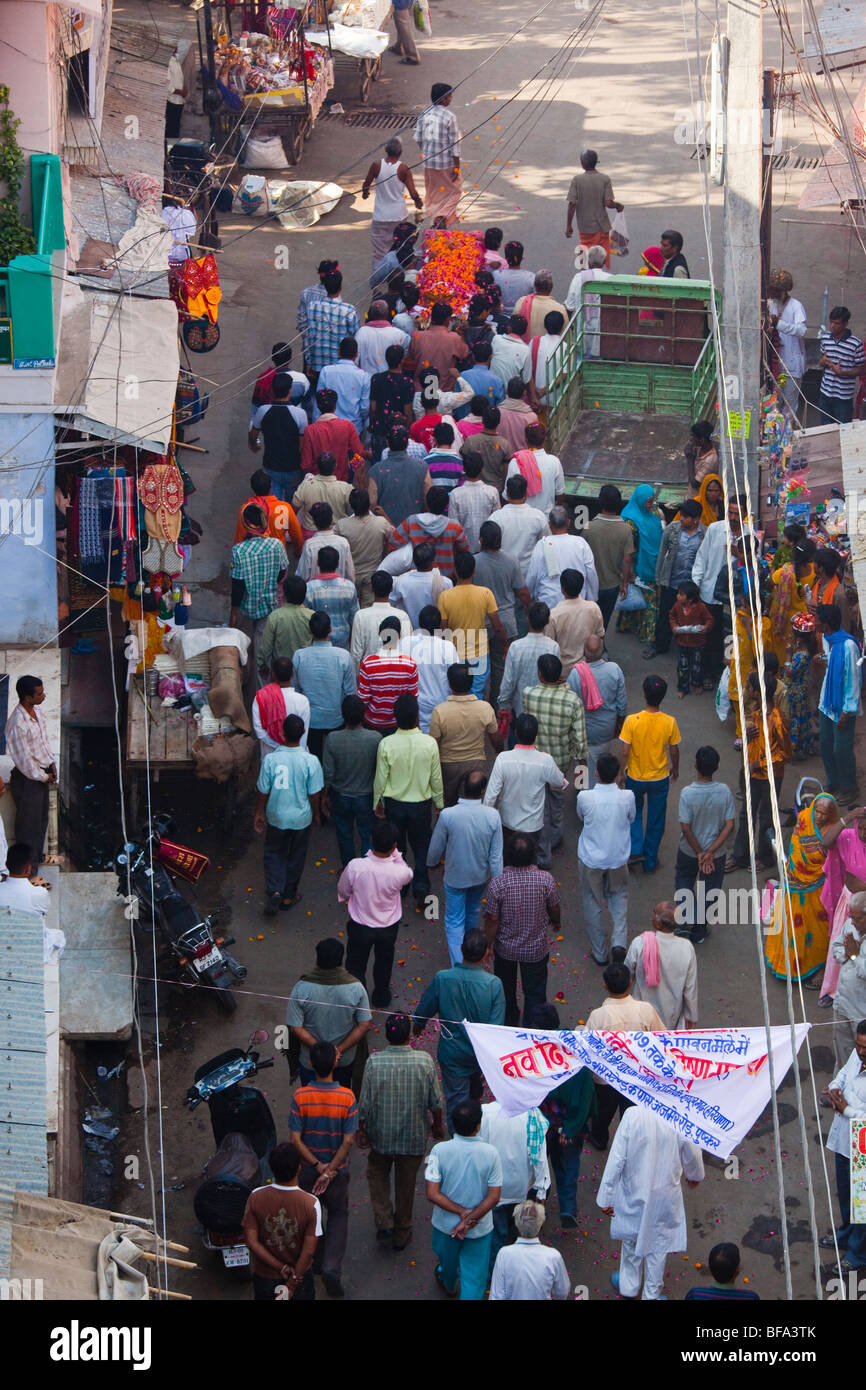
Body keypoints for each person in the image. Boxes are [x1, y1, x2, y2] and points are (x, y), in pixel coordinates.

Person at [598, 1105, 704, 1300]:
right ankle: (651, 1295)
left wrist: (605, 1196)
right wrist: (694, 1175)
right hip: (664, 1195)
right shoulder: (680, 1114)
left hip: (633, 1190)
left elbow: (617, 1158)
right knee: (658, 1246)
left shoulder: (632, 1115)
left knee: (631, 1239)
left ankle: (629, 1287)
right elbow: (693, 1153)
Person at [358, 1012, 444, 1252]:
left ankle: (384, 1220)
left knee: (377, 1174)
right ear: (409, 1036)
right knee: (405, 1186)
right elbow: (436, 1103)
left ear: (386, 1036)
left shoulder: (374, 1062)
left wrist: (361, 1130)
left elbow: (364, 1104)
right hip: (413, 1137)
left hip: (381, 1136)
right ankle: (402, 1230)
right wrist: (437, 1126)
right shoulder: (424, 1061)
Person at [289, 1041, 358, 1299]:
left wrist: (317, 1166)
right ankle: (331, 1267)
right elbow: (349, 1140)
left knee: (312, 1216)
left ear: (310, 1064)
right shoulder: (347, 1097)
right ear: (335, 1064)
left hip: (308, 1171)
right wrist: (330, 1170)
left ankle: (317, 1260)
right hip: (337, 1172)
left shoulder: (301, 1096)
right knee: (338, 1215)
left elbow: (295, 1139)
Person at [414, 928, 505, 1118]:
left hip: (452, 1054)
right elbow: (495, 1029)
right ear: (486, 952)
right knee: (474, 1093)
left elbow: (423, 1011)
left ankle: (460, 1134)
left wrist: (418, 1026)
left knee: (457, 1101)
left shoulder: (443, 978)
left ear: (462, 950)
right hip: (479, 1055)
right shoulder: (493, 984)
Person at [526, 1002, 597, 1223]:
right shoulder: (577, 1051)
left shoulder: (534, 1052)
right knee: (568, 1165)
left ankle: (537, 1200)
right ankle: (568, 1208)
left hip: (542, 1124)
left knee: (538, 1162)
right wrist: (572, 1128)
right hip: (569, 1126)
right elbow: (585, 1095)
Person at [424, 1100, 502, 1300]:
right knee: (475, 1279)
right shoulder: (491, 1154)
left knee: (447, 1266)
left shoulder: (439, 1151)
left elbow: (432, 1193)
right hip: (480, 1228)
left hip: (445, 1227)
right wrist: (469, 1220)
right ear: (478, 1126)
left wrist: (461, 1214)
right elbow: (493, 1197)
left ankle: (449, 1285)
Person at [483, 832, 561, 1025]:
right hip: (535, 950)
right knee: (535, 993)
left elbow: (492, 919)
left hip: (505, 950)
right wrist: (556, 921)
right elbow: (554, 907)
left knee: (506, 991)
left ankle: (510, 1022)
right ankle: (532, 1027)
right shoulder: (546, 880)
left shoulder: (498, 884)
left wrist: (488, 944)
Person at [427, 769, 503, 964]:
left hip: (454, 877)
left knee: (454, 921)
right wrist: (497, 886)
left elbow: (436, 846)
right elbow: (495, 857)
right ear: (482, 791)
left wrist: (431, 863)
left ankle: (459, 963)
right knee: (472, 913)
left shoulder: (448, 815)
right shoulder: (492, 816)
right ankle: (472, 951)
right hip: (479, 876)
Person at [584, 966, 664, 1152]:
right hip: (637, 1076)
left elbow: (588, 1048)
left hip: (606, 1079)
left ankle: (599, 1138)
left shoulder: (598, 1016)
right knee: (632, 1113)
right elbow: (662, 1039)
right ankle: (631, 1145)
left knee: (602, 1113)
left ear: (605, 986)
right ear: (630, 982)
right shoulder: (646, 1010)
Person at [373, 693, 443, 904]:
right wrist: (439, 803)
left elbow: (380, 778)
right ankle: (421, 884)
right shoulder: (429, 744)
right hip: (421, 806)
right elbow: (436, 777)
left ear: (395, 718)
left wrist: (378, 802)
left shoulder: (386, 744)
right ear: (417, 717)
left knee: (397, 847)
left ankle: (400, 885)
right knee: (421, 846)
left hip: (395, 805)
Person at [763, 792, 837, 985]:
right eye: (817, 812)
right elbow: (794, 848)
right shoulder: (805, 819)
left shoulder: (834, 831)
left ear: (831, 814)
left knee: (817, 926)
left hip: (817, 887)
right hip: (794, 883)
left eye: (824, 814)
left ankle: (814, 964)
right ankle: (785, 964)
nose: (819, 817)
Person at [338, 818, 412, 1007]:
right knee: (384, 962)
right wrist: (397, 855)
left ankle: (357, 1000)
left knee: (355, 964)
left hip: (360, 925)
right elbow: (408, 872)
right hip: (388, 927)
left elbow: (343, 890)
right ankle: (380, 996)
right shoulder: (399, 872)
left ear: (372, 840)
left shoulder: (356, 866)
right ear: (394, 845)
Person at [254, 714, 323, 916]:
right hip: (301, 819)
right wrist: (316, 813)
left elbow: (262, 790)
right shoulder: (311, 761)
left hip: (276, 816)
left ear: (282, 733)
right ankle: (288, 895)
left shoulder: (271, 760)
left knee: (274, 853)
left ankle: (275, 889)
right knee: (296, 855)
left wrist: (259, 812)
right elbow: (314, 794)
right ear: (303, 734)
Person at [523, 652, 587, 863]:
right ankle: (555, 839)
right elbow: (580, 743)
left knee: (539, 805)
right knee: (557, 803)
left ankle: (542, 848)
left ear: (540, 674)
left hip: (534, 762)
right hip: (560, 764)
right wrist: (582, 780)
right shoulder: (572, 701)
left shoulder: (528, 694)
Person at [287, 937, 372, 1089]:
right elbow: (364, 1025)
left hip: (311, 1060)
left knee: (310, 1098)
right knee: (341, 1098)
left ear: (317, 959)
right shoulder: (356, 988)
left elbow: (295, 1028)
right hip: (343, 1060)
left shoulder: (301, 988)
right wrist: (337, 1052)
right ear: (341, 960)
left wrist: (322, 1052)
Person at [727, 674, 792, 871]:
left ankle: (765, 857)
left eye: (750, 687)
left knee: (765, 816)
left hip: (770, 776)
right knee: (747, 813)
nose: (748, 690)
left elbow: (786, 753)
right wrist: (747, 739)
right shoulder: (756, 714)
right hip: (753, 774)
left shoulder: (778, 720)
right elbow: (756, 745)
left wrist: (761, 764)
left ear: (757, 692)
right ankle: (740, 856)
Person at [241, 1142, 321, 1302]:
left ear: (271, 1168)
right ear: (299, 1168)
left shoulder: (255, 1197)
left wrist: (281, 1267)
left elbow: (251, 1242)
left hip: (265, 1277)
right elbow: (308, 1252)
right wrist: (291, 1284)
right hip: (300, 1280)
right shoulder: (311, 1204)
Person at [618, 674, 681, 874]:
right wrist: (676, 768)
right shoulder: (669, 722)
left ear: (644, 694)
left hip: (635, 777)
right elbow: (673, 750)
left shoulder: (631, 721)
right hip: (659, 778)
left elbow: (625, 750)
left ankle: (635, 850)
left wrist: (621, 772)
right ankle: (650, 859)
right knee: (656, 818)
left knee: (634, 813)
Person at [484, 713, 567, 864]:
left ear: (515, 733)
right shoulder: (545, 760)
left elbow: (490, 797)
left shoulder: (503, 759)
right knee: (530, 861)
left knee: (508, 861)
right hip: (533, 826)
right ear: (536, 735)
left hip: (507, 823)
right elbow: (560, 782)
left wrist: (486, 825)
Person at [577, 753, 635, 967]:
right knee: (619, 898)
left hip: (591, 858)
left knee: (592, 901)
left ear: (596, 773)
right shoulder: (627, 796)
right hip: (618, 858)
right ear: (619, 774)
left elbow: (581, 817)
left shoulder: (585, 797)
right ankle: (618, 943)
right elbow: (631, 818)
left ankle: (600, 953)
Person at [675, 746, 735, 946]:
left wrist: (700, 852)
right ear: (716, 767)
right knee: (710, 891)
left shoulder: (687, 793)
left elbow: (686, 828)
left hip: (689, 851)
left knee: (684, 881)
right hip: (715, 855)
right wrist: (710, 852)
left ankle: (685, 921)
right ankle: (699, 930)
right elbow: (729, 825)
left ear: (695, 766)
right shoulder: (724, 791)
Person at [480, 1102, 550, 1265]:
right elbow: (540, 1156)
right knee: (516, 1230)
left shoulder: (486, 1113)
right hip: (521, 1186)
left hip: (493, 1187)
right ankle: (512, 1266)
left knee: (497, 1233)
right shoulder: (533, 1116)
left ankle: (496, 1270)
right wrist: (541, 1189)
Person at [822, 1021, 866, 1273]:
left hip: (863, 1149)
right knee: (846, 1195)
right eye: (859, 1046)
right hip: (843, 1141)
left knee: (862, 1205)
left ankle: (859, 1253)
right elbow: (843, 1073)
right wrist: (835, 1088)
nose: (861, 1051)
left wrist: (846, 1108)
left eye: (865, 1048)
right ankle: (846, 1234)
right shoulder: (856, 1054)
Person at [692, 493, 748, 685]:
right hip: (710, 593)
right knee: (710, 637)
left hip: (735, 599)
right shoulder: (715, 529)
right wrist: (696, 583)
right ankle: (708, 673)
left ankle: (727, 675)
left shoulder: (750, 536)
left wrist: (739, 554)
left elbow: (754, 566)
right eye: (730, 513)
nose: (733, 518)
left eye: (737, 514)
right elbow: (702, 557)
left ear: (746, 514)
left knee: (730, 637)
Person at [438, 551, 509, 700]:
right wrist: (505, 645)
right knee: (477, 694)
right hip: (480, 654)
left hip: (456, 654)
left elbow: (443, 630)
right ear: (474, 570)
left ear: (455, 570)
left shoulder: (445, 597)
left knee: (456, 694)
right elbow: (497, 626)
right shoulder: (485, 593)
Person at [429, 663, 501, 806]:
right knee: (472, 804)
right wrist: (499, 752)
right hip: (476, 765)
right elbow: (496, 739)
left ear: (449, 683)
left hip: (448, 766)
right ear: (472, 682)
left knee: (448, 805)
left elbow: (434, 745)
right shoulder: (485, 708)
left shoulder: (439, 711)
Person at [230, 506, 287, 681]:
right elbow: (282, 572)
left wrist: (233, 614)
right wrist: (268, 584)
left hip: (247, 609)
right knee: (263, 656)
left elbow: (237, 586)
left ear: (245, 525)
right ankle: (262, 693)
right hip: (269, 607)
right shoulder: (276, 545)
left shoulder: (239, 551)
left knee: (246, 653)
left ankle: (246, 685)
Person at [322, 695, 381, 866]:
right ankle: (365, 870)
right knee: (366, 834)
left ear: (343, 715)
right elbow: (380, 771)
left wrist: (324, 796)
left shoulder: (333, 739)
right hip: (366, 796)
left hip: (340, 796)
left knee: (344, 834)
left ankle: (349, 869)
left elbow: (328, 773)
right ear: (363, 714)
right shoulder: (375, 738)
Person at [292, 611, 357, 761]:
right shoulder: (343, 656)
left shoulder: (299, 656)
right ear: (330, 629)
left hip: (310, 720)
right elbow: (350, 693)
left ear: (309, 630)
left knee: (314, 759)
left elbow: (295, 690)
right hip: (337, 719)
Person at [5, 676, 56, 866]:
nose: (43, 696)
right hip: (29, 780)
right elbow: (24, 761)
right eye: (39, 693)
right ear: (27, 697)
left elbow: (43, 743)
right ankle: (29, 872)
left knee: (41, 822)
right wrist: (43, 776)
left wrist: (51, 764)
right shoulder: (17, 723)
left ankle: (37, 858)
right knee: (28, 828)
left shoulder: (38, 712)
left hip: (42, 775)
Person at [474, 519, 530, 687]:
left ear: (481, 540)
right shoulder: (511, 561)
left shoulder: (474, 562)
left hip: (480, 624)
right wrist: (529, 610)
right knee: (501, 671)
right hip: (506, 624)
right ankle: (498, 709)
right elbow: (522, 592)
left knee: (477, 672)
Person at [626, 901, 698, 1029]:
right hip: (671, 1017)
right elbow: (690, 987)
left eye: (654, 913)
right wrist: (691, 1016)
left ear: (658, 924)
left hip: (640, 1015)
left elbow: (626, 977)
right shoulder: (686, 947)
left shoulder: (640, 943)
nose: (651, 916)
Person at [816, 602, 861, 804]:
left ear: (825, 624)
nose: (815, 622)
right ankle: (833, 782)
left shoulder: (849, 646)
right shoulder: (828, 640)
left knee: (841, 749)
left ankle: (849, 787)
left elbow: (853, 679)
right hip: (826, 703)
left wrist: (847, 711)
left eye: (818, 619)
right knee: (826, 745)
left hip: (842, 708)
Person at [570, 633, 626, 784]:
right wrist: (618, 726)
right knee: (602, 763)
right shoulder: (615, 670)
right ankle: (602, 788)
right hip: (607, 729)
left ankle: (581, 793)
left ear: (583, 653)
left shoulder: (576, 674)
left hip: (583, 732)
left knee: (581, 766)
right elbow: (622, 705)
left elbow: (571, 708)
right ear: (602, 651)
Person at [651, 498, 705, 656]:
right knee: (666, 614)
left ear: (695, 519)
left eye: (685, 516)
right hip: (672, 581)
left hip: (691, 585)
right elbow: (662, 554)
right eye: (681, 515)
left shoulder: (705, 533)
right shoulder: (672, 529)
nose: (681, 519)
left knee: (692, 617)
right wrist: (659, 577)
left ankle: (688, 648)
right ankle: (660, 645)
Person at [489, 1200, 570, 1301]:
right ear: (540, 1224)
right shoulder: (553, 1256)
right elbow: (562, 1291)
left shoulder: (504, 1254)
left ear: (517, 1223)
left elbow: (496, 1295)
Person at [361, 138, 423, 266]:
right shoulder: (403, 169)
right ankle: (397, 278)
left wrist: (365, 193)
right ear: (400, 153)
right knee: (399, 248)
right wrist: (418, 202)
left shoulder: (376, 165)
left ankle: (377, 281)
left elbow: (366, 184)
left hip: (380, 216)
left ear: (386, 151)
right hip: (398, 216)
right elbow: (413, 193)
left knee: (379, 252)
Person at [399, 605, 460, 734]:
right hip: (441, 707)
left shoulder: (405, 643)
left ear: (419, 623)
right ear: (439, 625)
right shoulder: (447, 647)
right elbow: (455, 679)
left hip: (413, 709)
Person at [616, 484, 664, 648]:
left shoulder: (653, 511)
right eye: (648, 502)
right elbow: (628, 548)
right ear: (640, 500)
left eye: (652, 501)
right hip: (639, 564)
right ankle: (643, 631)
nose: (650, 505)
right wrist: (628, 571)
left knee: (644, 597)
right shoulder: (630, 520)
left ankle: (640, 630)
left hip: (653, 561)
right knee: (638, 597)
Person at [248, 373, 307, 503]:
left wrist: (254, 444)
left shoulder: (263, 411)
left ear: (272, 390)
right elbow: (302, 445)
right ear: (290, 390)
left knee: (273, 506)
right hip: (293, 467)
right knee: (292, 505)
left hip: (270, 467)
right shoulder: (300, 414)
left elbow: (253, 433)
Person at [583, 485, 635, 629]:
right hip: (612, 585)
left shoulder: (589, 526)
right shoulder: (625, 529)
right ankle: (600, 646)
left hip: (590, 585)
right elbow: (627, 559)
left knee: (588, 622)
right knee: (603, 622)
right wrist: (624, 583)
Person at [498, 602, 560, 724]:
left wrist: (503, 705)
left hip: (520, 709)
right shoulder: (553, 647)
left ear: (527, 619)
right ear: (547, 621)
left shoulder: (516, 647)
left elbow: (508, 681)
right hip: (544, 710)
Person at [525, 505, 597, 609]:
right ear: (568, 523)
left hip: (548, 604)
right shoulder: (581, 543)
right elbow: (591, 572)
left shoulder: (542, 544)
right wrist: (592, 598)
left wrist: (530, 599)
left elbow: (532, 575)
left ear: (549, 525)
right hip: (577, 603)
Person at [388, 485, 469, 575]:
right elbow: (464, 548)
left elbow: (393, 542)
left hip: (417, 575)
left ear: (426, 503)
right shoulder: (454, 526)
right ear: (446, 504)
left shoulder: (411, 522)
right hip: (446, 577)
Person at [358, 617, 419, 733]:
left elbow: (363, 699)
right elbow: (412, 699)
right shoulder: (410, 664)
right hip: (400, 724)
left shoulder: (368, 663)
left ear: (380, 636)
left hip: (373, 723)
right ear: (399, 636)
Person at [413, 84, 463, 226]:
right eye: (449, 96)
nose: (451, 98)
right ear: (444, 99)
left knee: (434, 192)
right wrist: (457, 166)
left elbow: (418, 138)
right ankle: (440, 217)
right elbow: (454, 144)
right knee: (454, 191)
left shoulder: (424, 113)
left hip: (429, 162)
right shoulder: (450, 117)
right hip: (446, 164)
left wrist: (427, 151)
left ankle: (433, 212)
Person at [564, 149, 622, 266]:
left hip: (586, 229)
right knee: (601, 259)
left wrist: (569, 226)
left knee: (584, 260)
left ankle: (585, 280)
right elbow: (608, 203)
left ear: (582, 163)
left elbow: (572, 204)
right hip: (602, 227)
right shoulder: (605, 179)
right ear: (596, 162)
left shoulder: (577, 180)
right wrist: (618, 206)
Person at [335, 492, 392, 608]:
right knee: (368, 611)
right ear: (369, 504)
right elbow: (396, 536)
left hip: (349, 576)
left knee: (350, 610)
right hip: (372, 577)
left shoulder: (342, 525)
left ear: (351, 505)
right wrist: (384, 515)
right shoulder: (381, 523)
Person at [545, 568, 604, 678]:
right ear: (581, 587)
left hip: (563, 672)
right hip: (587, 669)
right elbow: (600, 636)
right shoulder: (593, 608)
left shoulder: (554, 615)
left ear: (562, 589)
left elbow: (549, 647)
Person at [488, 475, 550, 579]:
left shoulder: (496, 518)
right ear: (526, 494)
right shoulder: (538, 517)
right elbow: (547, 544)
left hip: (502, 574)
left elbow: (485, 546)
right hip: (528, 573)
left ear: (507, 494)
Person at [369, 426, 432, 527]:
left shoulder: (376, 470)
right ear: (407, 444)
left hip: (387, 531)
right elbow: (428, 498)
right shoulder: (422, 467)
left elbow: (372, 504)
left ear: (388, 443)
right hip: (416, 529)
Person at [233, 468, 304, 557]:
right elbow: (296, 535)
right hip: (278, 556)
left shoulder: (246, 509)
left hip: (255, 556)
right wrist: (298, 551)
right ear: (270, 486)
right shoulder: (284, 508)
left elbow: (240, 537)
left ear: (252, 487)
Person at [767, 539, 816, 665]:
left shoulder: (785, 572)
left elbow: (769, 583)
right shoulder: (813, 570)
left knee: (782, 655)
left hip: (784, 623)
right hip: (803, 622)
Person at [831, 896, 866, 1071]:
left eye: (857, 918)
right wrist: (846, 953)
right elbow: (836, 946)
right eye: (851, 917)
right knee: (842, 1053)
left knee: (861, 1055)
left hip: (861, 1012)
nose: (852, 921)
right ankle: (838, 1088)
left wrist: (855, 956)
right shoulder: (850, 925)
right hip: (842, 1004)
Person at [350, 571, 412, 669]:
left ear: (371, 588)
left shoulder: (360, 616)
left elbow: (356, 654)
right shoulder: (402, 616)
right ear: (391, 589)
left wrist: (359, 678)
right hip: (396, 674)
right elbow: (407, 650)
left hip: (370, 675)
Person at [305, 272, 361, 376]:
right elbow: (356, 339)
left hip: (318, 367)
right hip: (341, 368)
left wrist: (308, 363)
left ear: (325, 287)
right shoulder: (349, 310)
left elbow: (309, 337)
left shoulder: (312, 306)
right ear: (340, 287)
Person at [253, 657, 310, 758]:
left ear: (273, 674)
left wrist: (278, 746)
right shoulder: (302, 701)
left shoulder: (261, 698)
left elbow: (259, 731)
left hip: (270, 755)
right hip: (297, 755)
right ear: (292, 674)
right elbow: (303, 735)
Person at [304, 547, 359, 651]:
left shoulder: (309, 588)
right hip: (343, 642)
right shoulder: (349, 586)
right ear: (338, 564)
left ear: (318, 563)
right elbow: (354, 618)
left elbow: (305, 619)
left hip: (317, 643)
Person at [504, 425, 565, 517]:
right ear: (545, 439)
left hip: (523, 519)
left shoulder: (516, 462)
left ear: (526, 440)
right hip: (546, 519)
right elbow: (560, 494)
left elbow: (507, 495)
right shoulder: (554, 461)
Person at [300, 390, 363, 480]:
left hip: (318, 483)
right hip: (342, 481)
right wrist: (352, 470)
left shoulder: (310, 430)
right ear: (335, 406)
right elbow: (358, 453)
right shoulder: (347, 426)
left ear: (318, 406)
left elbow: (306, 463)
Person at [818, 306, 865, 425]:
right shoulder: (825, 339)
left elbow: (862, 369)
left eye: (837, 323)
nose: (832, 326)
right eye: (831, 322)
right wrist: (822, 362)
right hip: (825, 393)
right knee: (825, 429)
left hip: (843, 398)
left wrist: (843, 373)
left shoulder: (855, 344)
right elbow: (821, 362)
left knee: (843, 431)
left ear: (845, 324)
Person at [391, 540, 453, 628]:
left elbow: (391, 602)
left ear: (414, 561)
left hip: (410, 632)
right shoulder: (446, 583)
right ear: (433, 563)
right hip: (436, 634)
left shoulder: (402, 581)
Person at [259, 575, 314, 672]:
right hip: (304, 671)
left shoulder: (275, 617)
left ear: (284, 594)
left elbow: (266, 647)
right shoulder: (311, 617)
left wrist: (262, 665)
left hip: (280, 672)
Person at [448, 450, 500, 552]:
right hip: (487, 550)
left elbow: (453, 527)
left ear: (464, 469)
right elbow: (496, 522)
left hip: (464, 551)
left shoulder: (456, 494)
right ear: (481, 469)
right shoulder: (492, 492)